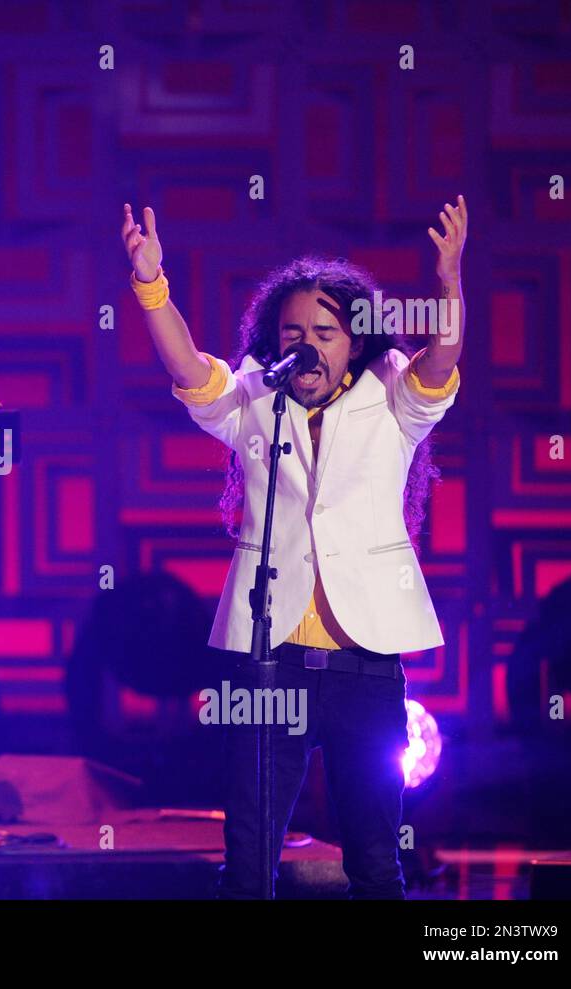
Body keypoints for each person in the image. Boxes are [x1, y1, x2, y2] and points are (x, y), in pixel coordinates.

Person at [122, 196, 469, 898]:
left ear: (354, 340)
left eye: (324, 330)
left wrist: (449, 283)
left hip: (364, 667)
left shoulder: (391, 394)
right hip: (266, 662)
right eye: (292, 332)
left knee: (374, 863)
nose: (305, 344)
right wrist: (151, 286)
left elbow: (444, 358)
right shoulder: (256, 395)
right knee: (248, 867)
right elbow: (190, 368)